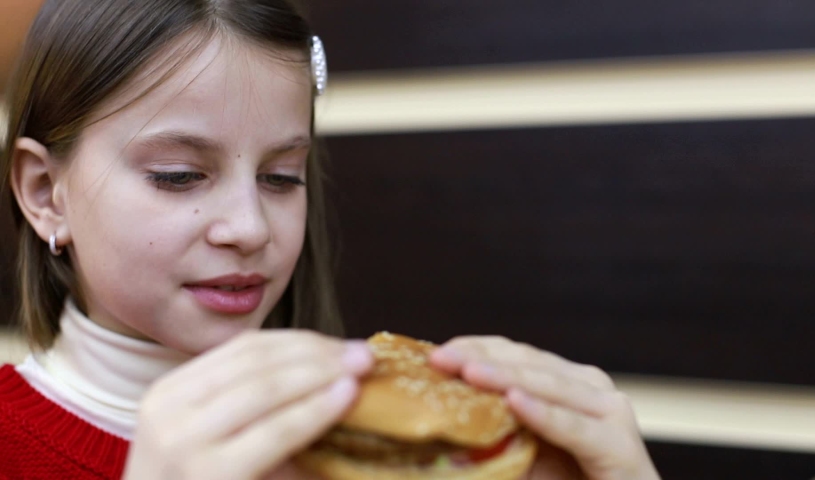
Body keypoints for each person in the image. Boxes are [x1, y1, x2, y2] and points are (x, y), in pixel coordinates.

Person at [0, 1, 661, 479]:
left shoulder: (388, 445)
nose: (251, 228)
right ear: (41, 193)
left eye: (281, 177)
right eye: (178, 175)